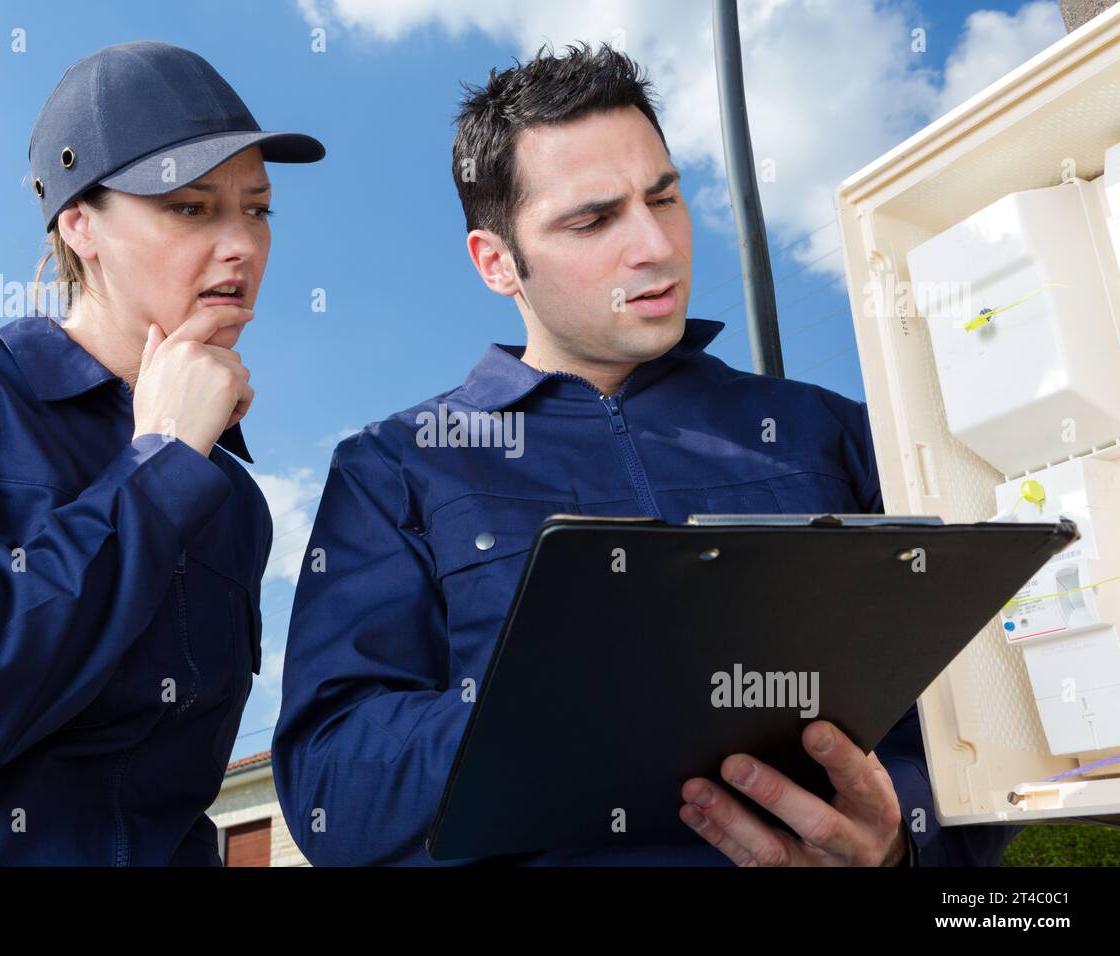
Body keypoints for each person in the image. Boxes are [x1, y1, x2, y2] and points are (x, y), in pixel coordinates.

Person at [271, 42, 1021, 866]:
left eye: (663, 198)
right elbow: (332, 785)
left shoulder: (832, 433)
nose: (654, 246)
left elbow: (988, 723)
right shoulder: (396, 468)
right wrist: (579, 697)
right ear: (497, 262)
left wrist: (898, 842)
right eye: (593, 220)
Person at [0, 40, 324, 864]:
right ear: (78, 222)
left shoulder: (232, 500)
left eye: (258, 209)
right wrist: (158, 462)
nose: (242, 244)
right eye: (192, 207)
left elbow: (170, 798)